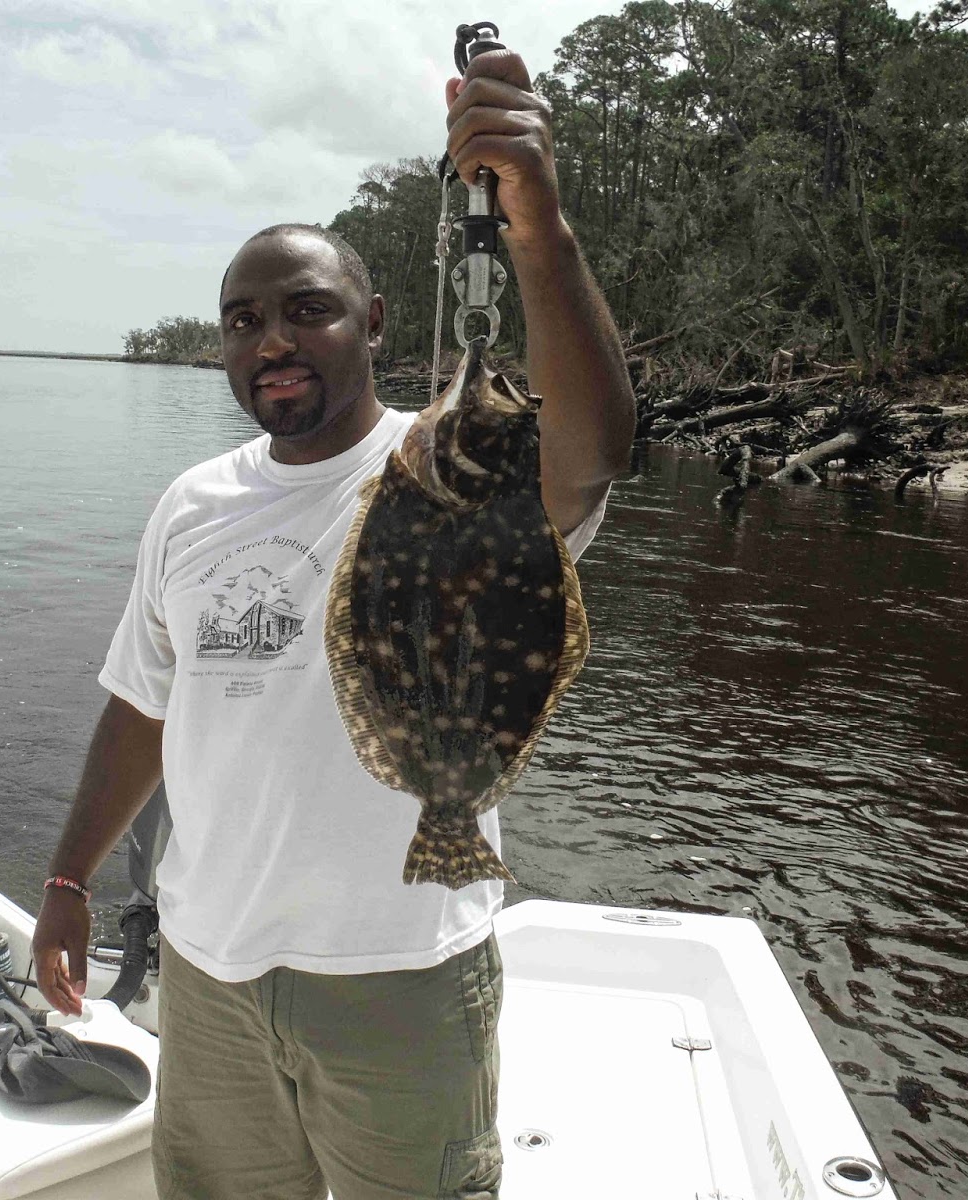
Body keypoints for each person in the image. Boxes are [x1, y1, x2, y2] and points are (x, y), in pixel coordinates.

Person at [32, 47, 635, 1200]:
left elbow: (590, 455)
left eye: (307, 311)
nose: (271, 341)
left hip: (398, 975)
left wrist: (536, 229)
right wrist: (67, 878)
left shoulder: (439, 467)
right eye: (242, 320)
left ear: (373, 320)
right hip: (206, 972)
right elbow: (144, 706)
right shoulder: (192, 503)